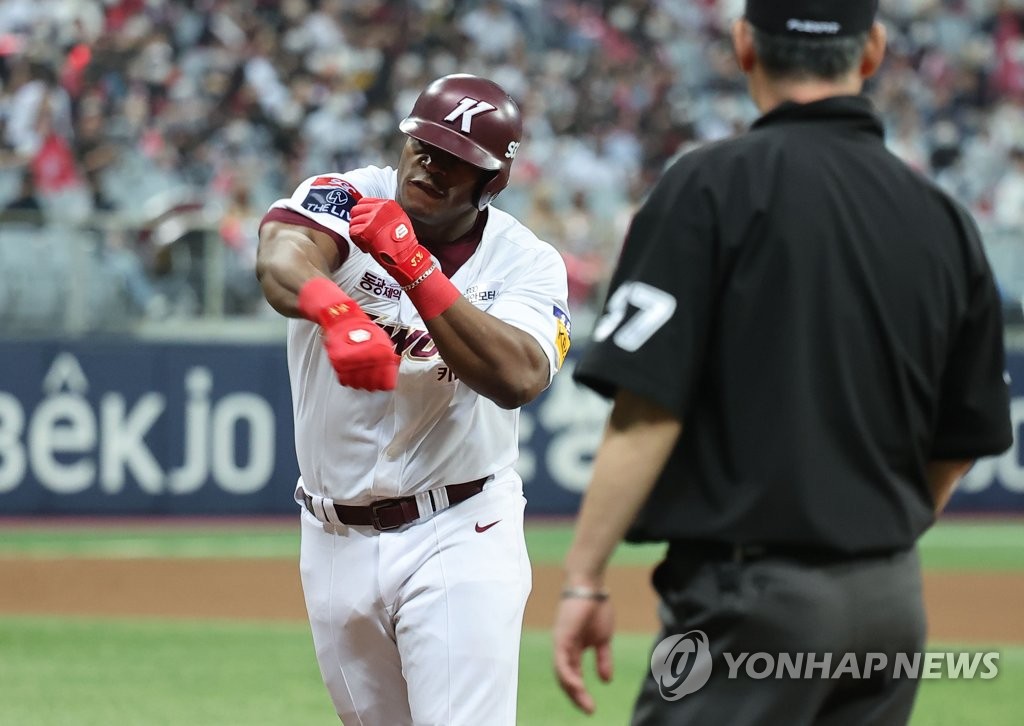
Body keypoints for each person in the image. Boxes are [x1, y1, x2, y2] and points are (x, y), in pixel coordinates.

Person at [552, 2, 1013, 725]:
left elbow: (647, 409)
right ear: (872, 51)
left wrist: (584, 577)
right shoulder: (943, 218)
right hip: (891, 600)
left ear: (743, 47)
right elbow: (962, 441)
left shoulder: (706, 187)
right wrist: (868, 539)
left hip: (753, 597)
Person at [256, 73, 571, 726]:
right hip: (333, 534)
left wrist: (416, 269)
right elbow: (281, 255)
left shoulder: (524, 262)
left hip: (459, 527)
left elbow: (520, 375)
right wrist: (336, 311)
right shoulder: (346, 195)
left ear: (492, 181)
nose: (430, 167)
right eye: (423, 147)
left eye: (456, 162)